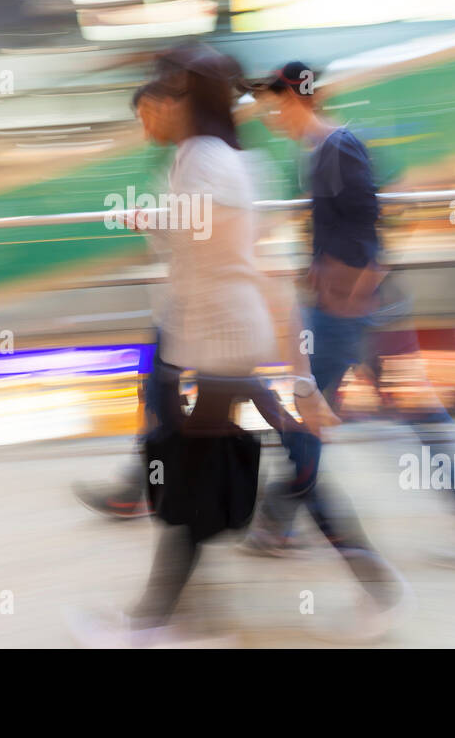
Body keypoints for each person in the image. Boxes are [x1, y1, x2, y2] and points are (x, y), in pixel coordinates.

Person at [67, 45, 412, 647]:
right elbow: (225, 247)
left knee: (199, 483)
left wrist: (301, 375)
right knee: (236, 474)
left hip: (218, 344)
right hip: (218, 343)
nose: (146, 115)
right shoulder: (222, 159)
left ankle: (163, 620)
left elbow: (239, 258)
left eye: (155, 101)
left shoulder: (204, 160)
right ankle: (181, 615)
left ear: (182, 101)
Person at [248, 61, 455, 569]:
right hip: (359, 305)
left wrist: (349, 296)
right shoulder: (321, 149)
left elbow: (368, 229)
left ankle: (275, 523)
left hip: (350, 310)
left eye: (270, 104)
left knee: (310, 411)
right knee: (404, 410)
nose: (266, 116)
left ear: (294, 99)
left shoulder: (336, 147)